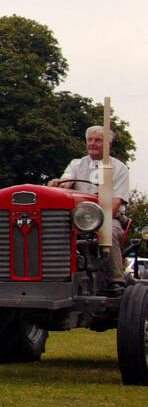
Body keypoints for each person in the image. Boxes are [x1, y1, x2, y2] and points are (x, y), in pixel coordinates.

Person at [48, 125, 130, 293]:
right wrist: (58, 184)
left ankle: (116, 280)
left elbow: (115, 203)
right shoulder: (76, 164)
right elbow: (66, 183)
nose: (93, 144)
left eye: (98, 140)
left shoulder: (119, 168)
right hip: (76, 219)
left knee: (109, 231)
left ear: (108, 144)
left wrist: (97, 220)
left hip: (106, 217)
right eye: (90, 140)